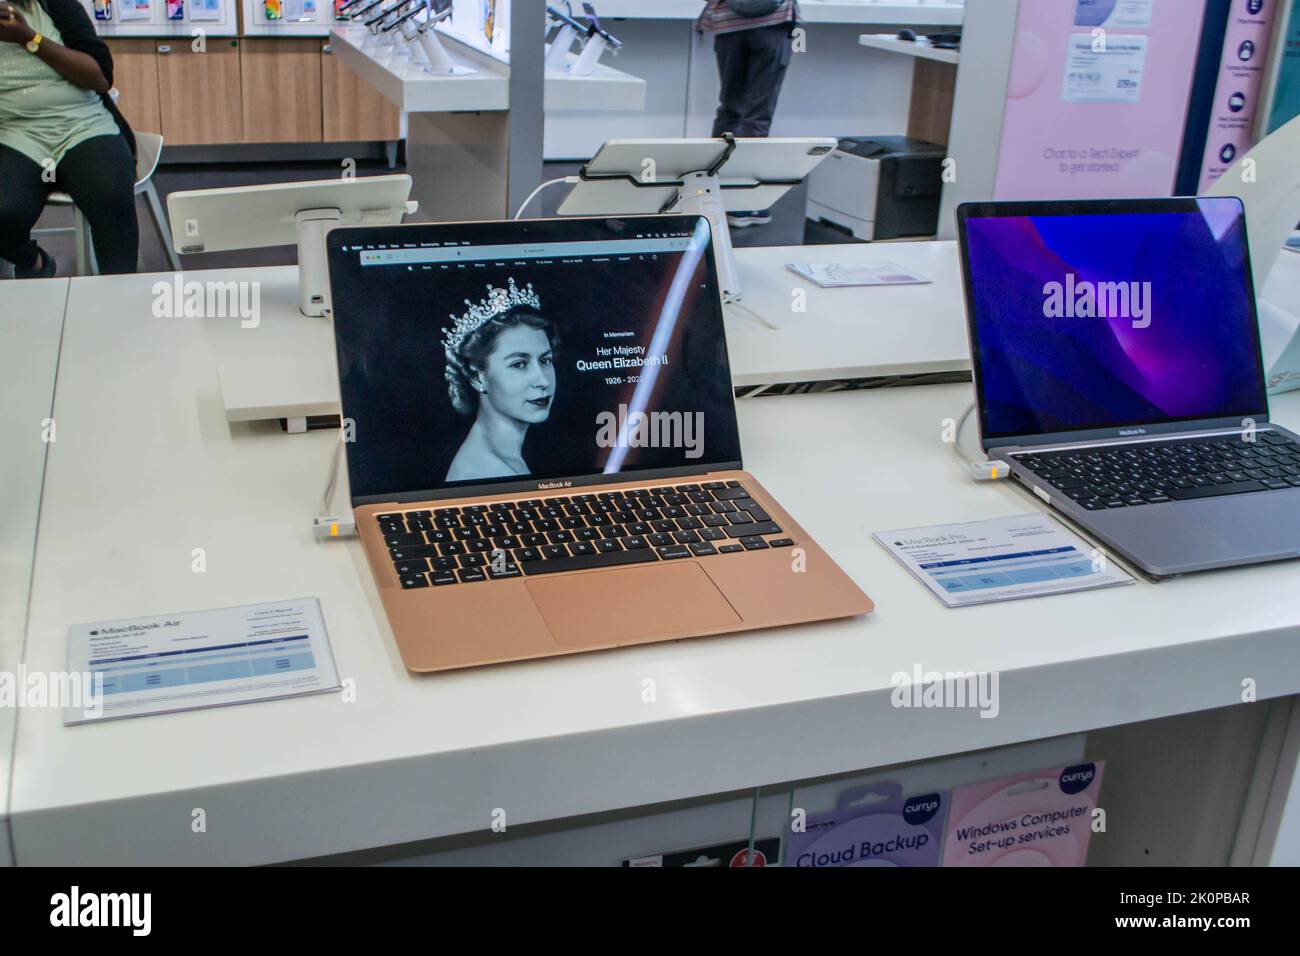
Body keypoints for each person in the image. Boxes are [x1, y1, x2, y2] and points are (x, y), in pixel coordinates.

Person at [0, 0, 138, 277]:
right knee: (5, 212)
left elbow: (99, 77)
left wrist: (29, 38)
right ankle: (33, 262)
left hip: (83, 126)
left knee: (111, 196)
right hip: (16, 135)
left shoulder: (55, 5)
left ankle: (122, 296)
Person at [443, 280, 559, 482]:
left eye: (545, 360)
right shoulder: (490, 471)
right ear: (478, 377)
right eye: (519, 364)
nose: (542, 380)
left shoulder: (503, 458)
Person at [698, 0, 800, 228]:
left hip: (728, 26)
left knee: (729, 110)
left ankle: (711, 191)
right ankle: (744, 201)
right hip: (772, 26)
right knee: (758, 115)